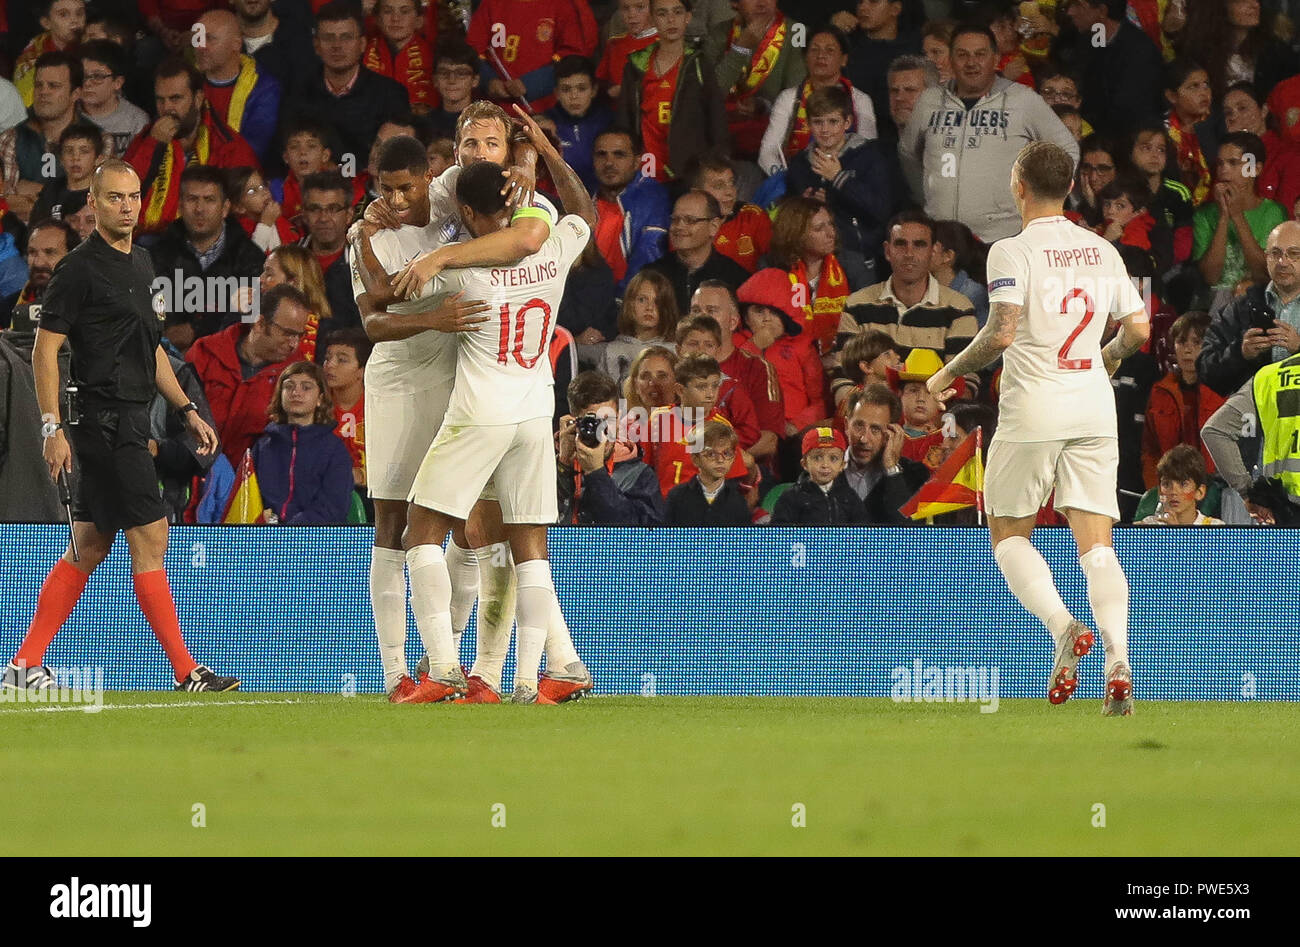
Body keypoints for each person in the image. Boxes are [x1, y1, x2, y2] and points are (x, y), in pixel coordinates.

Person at [351, 113, 588, 704]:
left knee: (425, 534)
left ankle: (448, 668)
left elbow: (383, 296)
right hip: (534, 410)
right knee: (527, 546)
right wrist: (548, 155)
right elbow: (584, 215)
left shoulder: (466, 276)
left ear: (468, 214)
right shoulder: (551, 245)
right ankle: (553, 671)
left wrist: (418, 256)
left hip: (477, 412)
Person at [924, 140, 1151, 716]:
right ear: (1071, 187)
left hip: (1034, 409)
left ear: (1018, 187)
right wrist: (1105, 360)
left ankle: (1062, 628)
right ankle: (1118, 657)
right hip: (1095, 409)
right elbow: (1140, 331)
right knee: (1096, 545)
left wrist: (945, 374)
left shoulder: (1011, 251)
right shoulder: (1102, 249)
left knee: (1009, 534)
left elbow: (1002, 333)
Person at [3, 159, 238, 694]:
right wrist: (49, 427)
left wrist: (185, 409)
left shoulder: (144, 262)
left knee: (90, 544)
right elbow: (45, 349)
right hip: (102, 420)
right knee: (151, 535)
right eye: (115, 198)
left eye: (133, 197)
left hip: (132, 415)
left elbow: (149, 345)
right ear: (95, 202)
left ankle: (23, 664)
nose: (127, 206)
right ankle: (187, 671)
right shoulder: (78, 269)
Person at [898, 24, 1078, 242]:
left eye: (980, 54)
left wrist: (1042, 203)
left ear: (995, 59)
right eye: (962, 55)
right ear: (951, 60)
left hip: (1004, 236)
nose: (971, 62)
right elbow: (908, 153)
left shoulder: (1022, 99)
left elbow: (1067, 150)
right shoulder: (930, 100)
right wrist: (927, 196)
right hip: (940, 236)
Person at [123, 56, 259, 235]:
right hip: (150, 241)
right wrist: (153, 148)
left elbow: (248, 211)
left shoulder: (228, 145)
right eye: (160, 100)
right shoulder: (146, 139)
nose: (167, 108)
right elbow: (122, 196)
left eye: (175, 99)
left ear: (198, 98)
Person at [838, 211, 978, 376]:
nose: (909, 253)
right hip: (870, 400)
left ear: (933, 252)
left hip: (936, 401)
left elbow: (964, 381)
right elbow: (843, 376)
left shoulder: (959, 308)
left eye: (919, 244)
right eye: (900, 244)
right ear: (887, 251)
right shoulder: (857, 305)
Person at [185, 283, 310, 466]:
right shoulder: (204, 353)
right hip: (190, 471)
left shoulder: (300, 376)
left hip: (253, 485)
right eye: (288, 333)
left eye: (300, 335)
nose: (294, 344)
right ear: (259, 323)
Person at [148, 164, 267, 346]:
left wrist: (196, 330)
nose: (199, 209)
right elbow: (152, 311)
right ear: (180, 205)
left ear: (225, 208)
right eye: (192, 199)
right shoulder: (157, 254)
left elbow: (249, 321)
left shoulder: (250, 258)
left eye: (209, 200)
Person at [784, 85, 894, 280]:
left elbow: (879, 210)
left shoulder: (869, 156)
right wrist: (806, 205)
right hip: (811, 258)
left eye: (833, 122)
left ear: (847, 122)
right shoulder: (800, 163)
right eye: (818, 122)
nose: (825, 130)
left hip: (857, 255)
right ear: (808, 124)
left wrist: (838, 178)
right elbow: (790, 217)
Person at [282, 1, 409, 166]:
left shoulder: (391, 94)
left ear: (362, 44)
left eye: (346, 37)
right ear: (316, 46)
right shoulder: (297, 94)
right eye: (328, 38)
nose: (337, 46)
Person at [616, 0, 730, 184]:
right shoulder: (636, 65)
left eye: (677, 12)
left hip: (690, 171)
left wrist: (715, 162)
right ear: (652, 19)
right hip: (646, 170)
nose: (671, 20)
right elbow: (624, 120)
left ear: (688, 17)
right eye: (662, 14)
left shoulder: (699, 64)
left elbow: (717, 119)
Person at [1198, 219, 1300, 395]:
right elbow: (1207, 371)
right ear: (1266, 258)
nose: (1283, 262)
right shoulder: (1237, 310)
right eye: (1275, 253)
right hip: (1251, 417)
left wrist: (1298, 349)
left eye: (1294, 254)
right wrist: (1240, 353)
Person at [758, 27, 878, 176]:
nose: (821, 56)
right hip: (795, 181)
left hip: (844, 182)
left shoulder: (859, 100)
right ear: (805, 58)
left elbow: (867, 152)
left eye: (830, 50)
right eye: (814, 50)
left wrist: (840, 181)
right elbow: (768, 153)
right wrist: (789, 181)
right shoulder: (789, 98)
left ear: (844, 59)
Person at [688, 279, 783, 463]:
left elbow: (769, 441)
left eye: (712, 311)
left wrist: (714, 461)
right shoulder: (676, 369)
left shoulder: (757, 369)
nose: (701, 318)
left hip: (739, 472)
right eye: (696, 311)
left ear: (732, 322)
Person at [251, 361, 355, 524]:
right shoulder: (262, 447)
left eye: (306, 387)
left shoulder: (335, 450)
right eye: (289, 386)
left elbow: (333, 507)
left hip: (314, 539)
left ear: (320, 399)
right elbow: (248, 499)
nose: (296, 393)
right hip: (264, 537)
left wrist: (292, 531)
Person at [556, 370, 665, 525]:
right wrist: (563, 466)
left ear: (619, 417)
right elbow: (540, 525)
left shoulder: (639, 476)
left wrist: (596, 473)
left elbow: (638, 539)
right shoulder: (550, 466)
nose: (603, 431)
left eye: (608, 420)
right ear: (574, 423)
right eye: (593, 422)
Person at [1194, 132, 1286, 313]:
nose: (1223, 170)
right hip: (1213, 303)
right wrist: (1223, 217)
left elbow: (1264, 273)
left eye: (1233, 163)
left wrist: (1237, 216)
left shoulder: (1274, 213)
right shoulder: (1204, 215)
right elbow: (1211, 277)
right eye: (1220, 163)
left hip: (1259, 300)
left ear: (1255, 169)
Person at [704, 0, 806, 160]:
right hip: (722, 138)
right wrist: (740, 48)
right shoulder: (719, 33)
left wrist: (763, 105)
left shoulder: (796, 33)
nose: (762, 3)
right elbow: (709, 96)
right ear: (734, 3)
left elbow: (797, 100)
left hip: (775, 138)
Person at [737, 267, 827, 435]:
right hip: (749, 428)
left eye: (774, 312)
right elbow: (730, 384)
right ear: (746, 318)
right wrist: (754, 345)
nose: (766, 318)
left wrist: (797, 425)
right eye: (758, 311)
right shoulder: (737, 344)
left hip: (794, 431)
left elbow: (819, 401)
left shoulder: (803, 346)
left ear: (787, 315)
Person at [1054, 0, 1163, 137]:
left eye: (1078, 5)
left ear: (1101, 11)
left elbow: (1128, 116)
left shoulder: (1140, 55)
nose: (1070, 12)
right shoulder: (1092, 36)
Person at [1141, 311, 1225, 488]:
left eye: (1197, 342)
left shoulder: (1224, 390)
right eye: (1181, 342)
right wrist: (1156, 488)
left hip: (1215, 488)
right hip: (1171, 487)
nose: (1188, 349)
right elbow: (1150, 450)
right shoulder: (1160, 392)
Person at [466, 0, 597, 113]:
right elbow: (473, 50)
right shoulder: (492, 3)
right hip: (495, 107)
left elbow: (572, 54)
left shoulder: (561, 4)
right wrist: (489, 81)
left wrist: (531, 84)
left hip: (547, 109)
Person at [194, 8, 281, 164]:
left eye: (210, 39)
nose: (200, 46)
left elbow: (252, 150)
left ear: (236, 44)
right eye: (197, 38)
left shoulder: (263, 89)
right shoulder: (186, 83)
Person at [643, 190, 750, 314]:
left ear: (713, 226)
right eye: (675, 219)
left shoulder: (737, 280)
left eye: (690, 220)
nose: (679, 226)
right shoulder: (651, 275)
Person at [591, 128, 670, 294]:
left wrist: (620, 301)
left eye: (619, 155)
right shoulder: (584, 199)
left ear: (636, 162)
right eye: (602, 154)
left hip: (630, 302)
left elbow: (648, 261)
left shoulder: (653, 198)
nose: (609, 163)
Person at [842, 383, 929, 521]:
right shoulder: (820, 469)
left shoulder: (915, 475)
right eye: (858, 426)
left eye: (875, 429)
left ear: (892, 432)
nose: (864, 439)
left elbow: (911, 535)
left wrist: (891, 469)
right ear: (847, 426)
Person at [688, 151, 771, 274]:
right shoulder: (683, 227)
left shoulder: (752, 217)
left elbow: (781, 261)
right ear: (696, 193)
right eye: (719, 186)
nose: (730, 192)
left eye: (731, 183)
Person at [770, 425, 869, 525]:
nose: (825, 465)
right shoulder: (791, 497)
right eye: (817, 458)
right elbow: (779, 533)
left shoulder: (849, 497)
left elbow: (862, 531)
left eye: (833, 458)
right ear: (804, 464)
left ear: (842, 465)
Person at [597, 269, 679, 388]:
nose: (649, 308)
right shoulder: (612, 350)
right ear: (630, 304)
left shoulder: (675, 350)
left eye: (657, 302)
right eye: (642, 300)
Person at [664, 420, 752, 524]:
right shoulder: (677, 496)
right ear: (696, 459)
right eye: (711, 454)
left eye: (727, 454)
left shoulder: (738, 502)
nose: (720, 460)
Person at [321, 327, 371, 498]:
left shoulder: (379, 408)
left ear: (362, 370)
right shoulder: (315, 404)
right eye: (327, 358)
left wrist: (362, 476)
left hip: (368, 495)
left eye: (342, 360)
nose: (330, 365)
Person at [78, 39, 148, 157]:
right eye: (82, 76)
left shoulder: (137, 121)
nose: (87, 83)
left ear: (118, 82)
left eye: (97, 76)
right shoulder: (68, 114)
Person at [362, 0, 434, 113]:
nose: (395, 18)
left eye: (404, 11)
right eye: (387, 11)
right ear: (377, 20)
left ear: (419, 21)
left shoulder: (434, 56)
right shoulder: (360, 51)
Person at [1135, 444, 1225, 525]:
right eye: (1166, 484)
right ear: (1159, 492)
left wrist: (1176, 533)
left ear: (1199, 492)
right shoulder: (1150, 526)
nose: (1173, 491)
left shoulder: (1215, 528)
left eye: (1183, 484)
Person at [598, 0, 660, 102]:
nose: (631, 15)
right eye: (625, 8)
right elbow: (601, 83)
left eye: (640, 7)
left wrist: (628, 90)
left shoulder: (666, 44)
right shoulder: (614, 44)